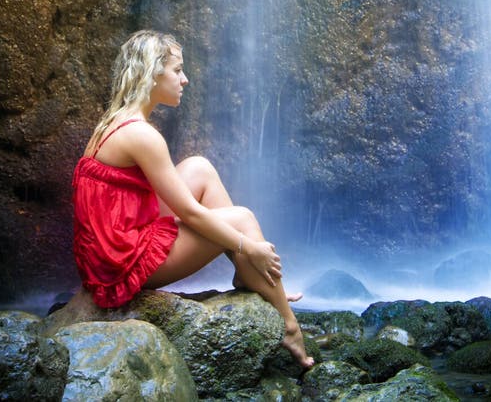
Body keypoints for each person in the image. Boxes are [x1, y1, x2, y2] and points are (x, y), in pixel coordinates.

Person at [72, 29, 313, 369]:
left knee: (199, 168)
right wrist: (250, 246)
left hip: (112, 243)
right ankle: (289, 325)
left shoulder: (117, 121)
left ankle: (248, 275)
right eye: (177, 70)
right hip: (119, 264)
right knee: (242, 219)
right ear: (152, 73)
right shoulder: (142, 135)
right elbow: (190, 213)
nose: (184, 80)